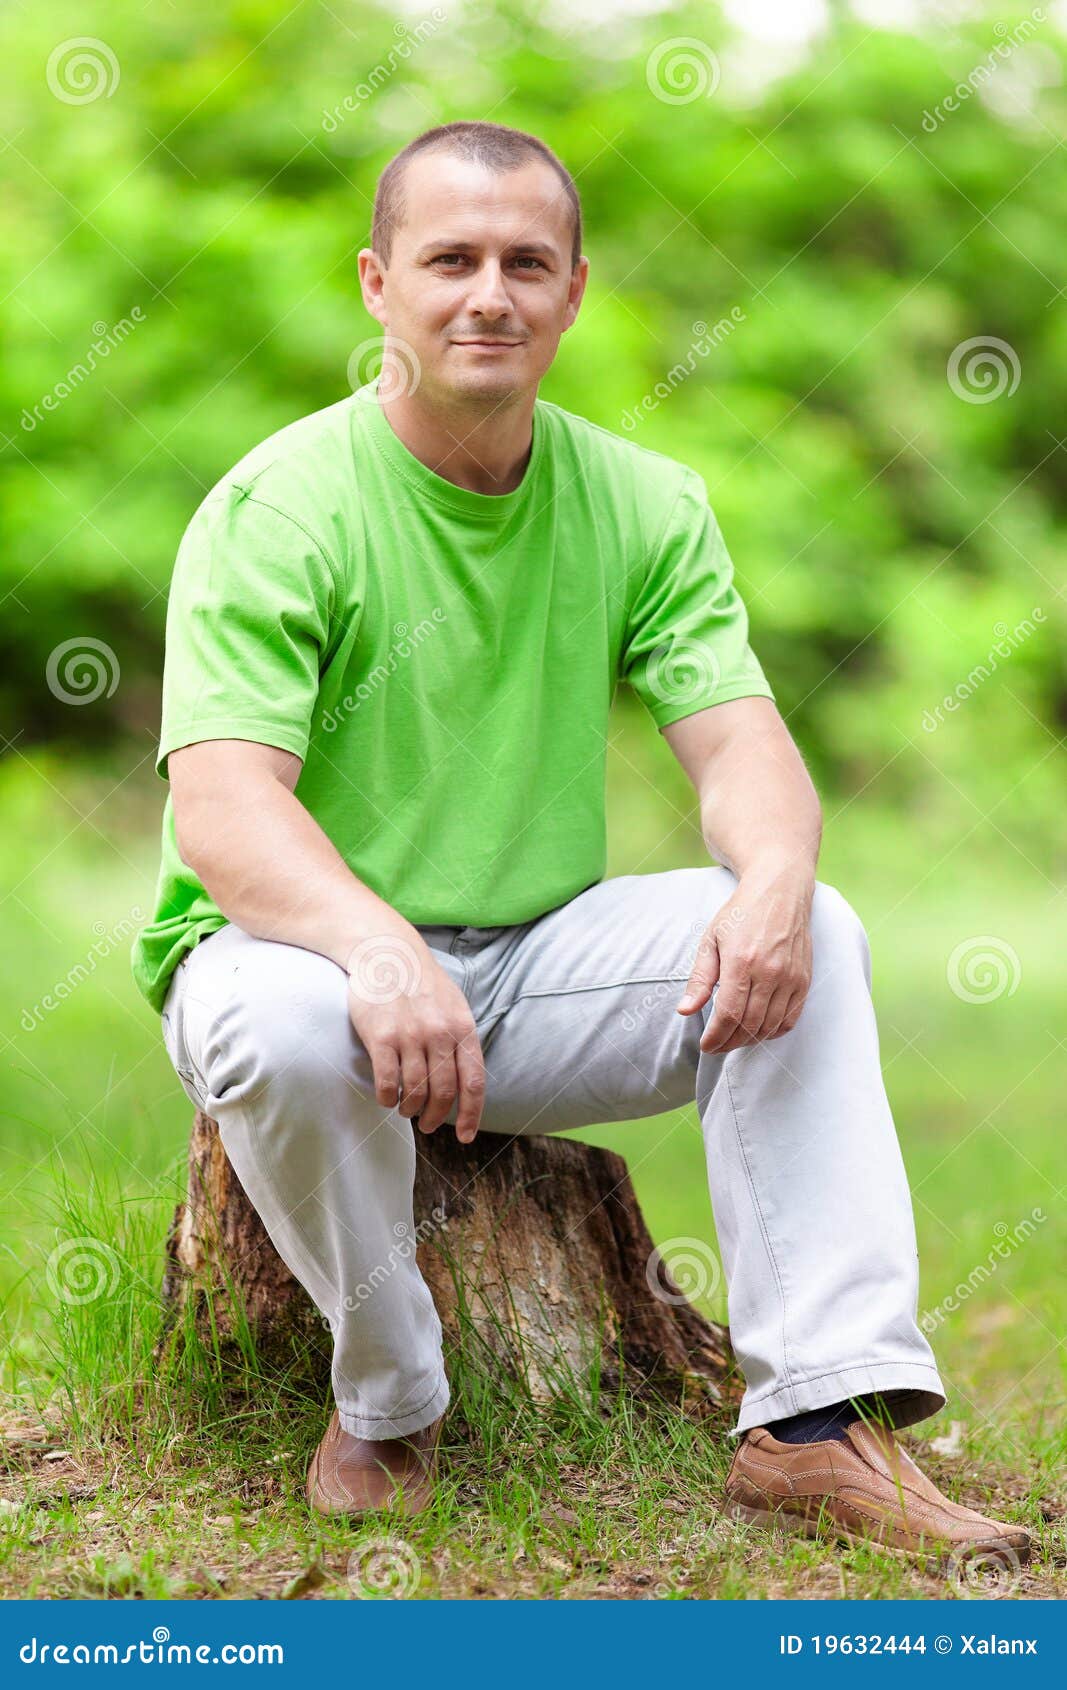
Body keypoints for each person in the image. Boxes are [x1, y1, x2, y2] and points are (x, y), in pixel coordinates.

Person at [132, 120, 1029, 1565]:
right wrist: (373, 944)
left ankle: (812, 1421)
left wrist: (778, 880)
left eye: (524, 262)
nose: (488, 291)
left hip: (528, 968)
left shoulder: (643, 502)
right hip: (296, 958)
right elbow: (226, 807)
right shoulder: (278, 505)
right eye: (450, 259)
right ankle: (390, 1400)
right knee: (280, 1031)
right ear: (377, 285)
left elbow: (742, 750)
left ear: (572, 293)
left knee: (820, 928)